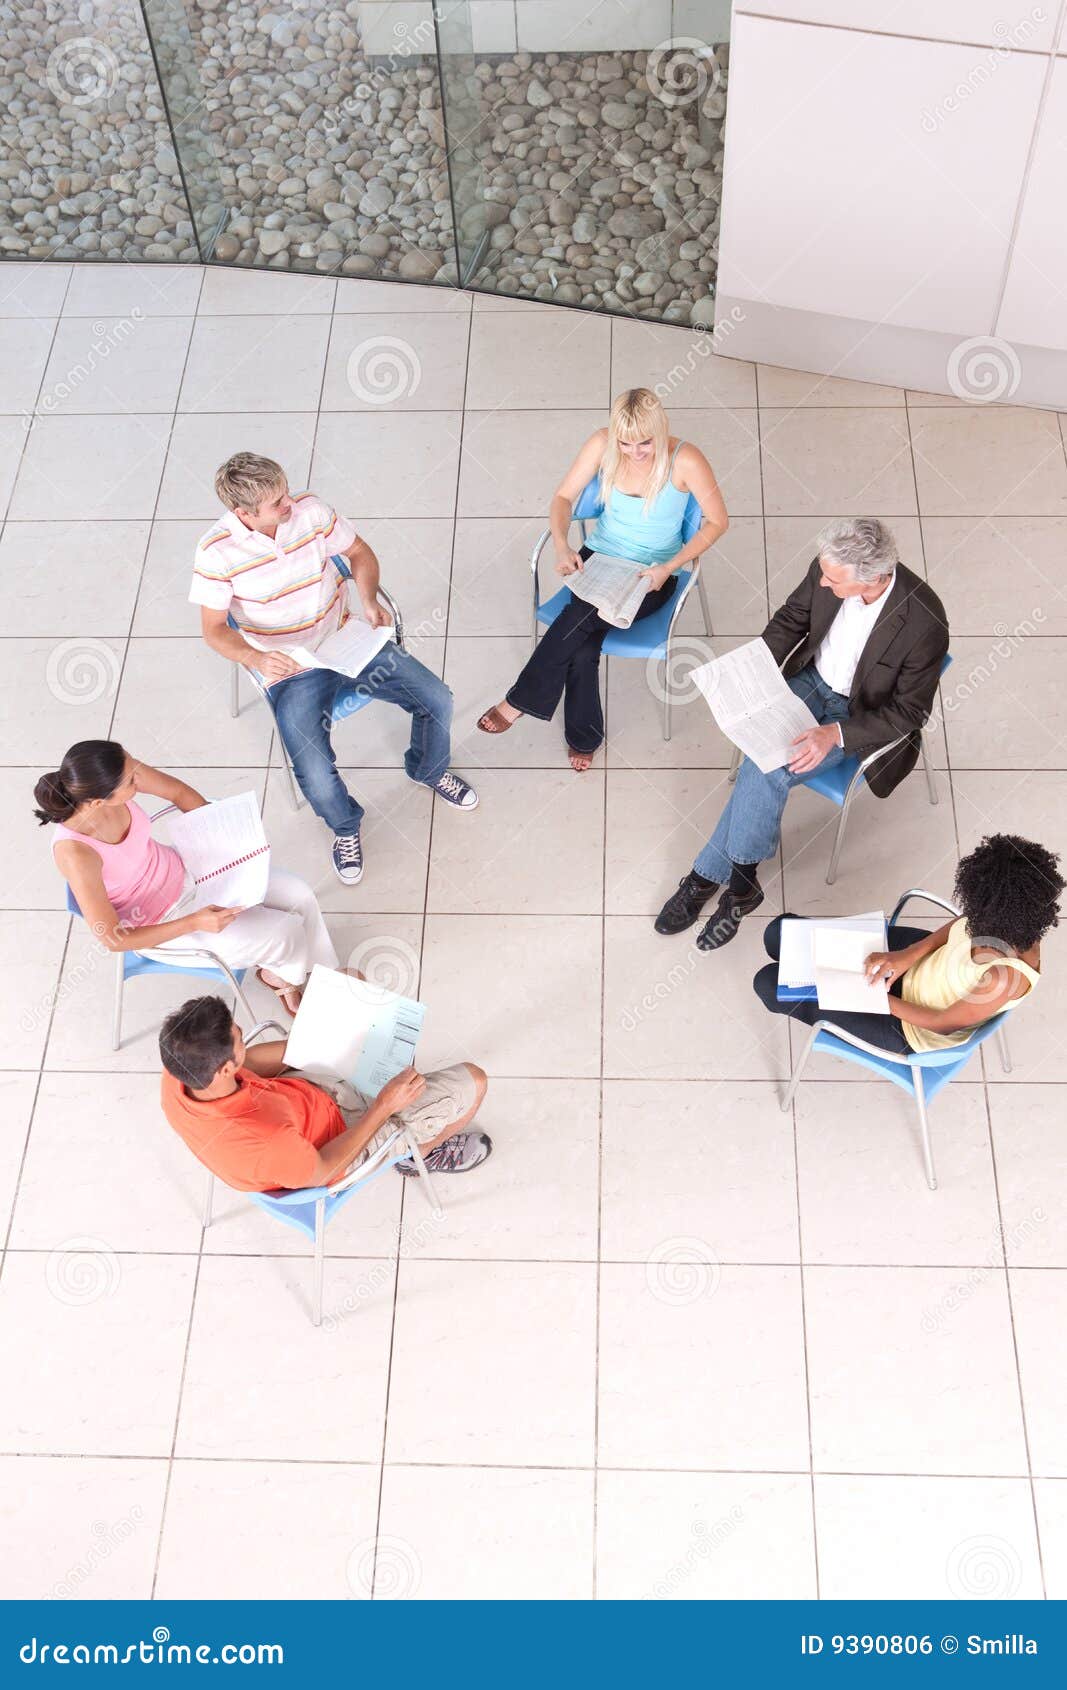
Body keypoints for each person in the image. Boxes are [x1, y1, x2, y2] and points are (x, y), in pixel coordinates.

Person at [655, 517, 949, 953]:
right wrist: (752, 670)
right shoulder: (828, 567)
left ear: (873, 577)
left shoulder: (924, 621)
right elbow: (792, 619)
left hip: (854, 714)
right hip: (809, 680)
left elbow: (909, 712)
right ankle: (739, 884)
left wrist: (835, 734)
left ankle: (714, 880)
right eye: (824, 573)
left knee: (767, 765)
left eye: (834, 580)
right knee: (762, 756)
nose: (824, 583)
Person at [192, 453, 477, 888]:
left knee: (437, 697)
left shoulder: (310, 510)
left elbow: (359, 552)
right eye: (276, 503)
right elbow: (214, 630)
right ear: (243, 513)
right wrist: (256, 658)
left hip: (344, 639)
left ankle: (429, 768)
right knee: (313, 769)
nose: (290, 504)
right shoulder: (216, 553)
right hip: (291, 666)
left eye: (286, 491)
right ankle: (345, 827)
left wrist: (367, 599)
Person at [477, 387, 728, 771]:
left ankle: (521, 702)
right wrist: (562, 546)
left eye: (645, 442)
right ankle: (583, 736)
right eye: (626, 443)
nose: (635, 452)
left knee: (579, 622)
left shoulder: (686, 459)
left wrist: (669, 566)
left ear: (660, 431)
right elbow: (562, 498)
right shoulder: (602, 444)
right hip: (600, 558)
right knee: (582, 639)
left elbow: (718, 522)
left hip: (652, 574)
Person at [36, 741, 336, 1017]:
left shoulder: (117, 770)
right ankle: (281, 976)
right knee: (284, 932)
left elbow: (178, 793)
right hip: (163, 921)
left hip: (189, 870)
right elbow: (113, 939)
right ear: (99, 802)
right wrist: (194, 922)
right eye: (130, 782)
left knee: (299, 894)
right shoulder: (76, 853)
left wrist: (228, 836)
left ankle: (321, 972)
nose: (138, 778)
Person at [752, 833, 1062, 1054]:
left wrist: (873, 998)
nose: (972, 912)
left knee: (768, 983)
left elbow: (942, 1023)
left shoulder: (1005, 977)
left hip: (912, 1025)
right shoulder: (1004, 914)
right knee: (779, 933)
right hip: (918, 964)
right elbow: (963, 922)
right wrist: (907, 955)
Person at [159, 994, 492, 1189]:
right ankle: (420, 1156)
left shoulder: (180, 1072)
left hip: (305, 1093)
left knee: (353, 982)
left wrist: (328, 1043)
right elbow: (324, 1170)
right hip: (339, 1141)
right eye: (241, 1040)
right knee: (475, 1081)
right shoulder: (267, 1141)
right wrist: (384, 1106)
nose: (245, 1042)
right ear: (224, 1069)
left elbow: (254, 1066)